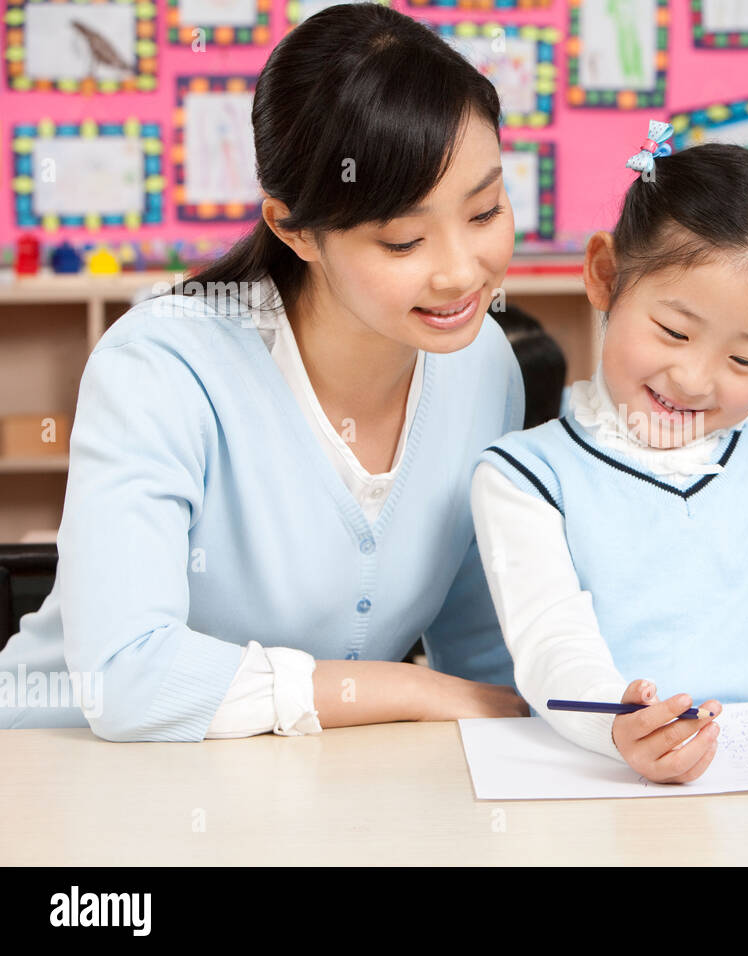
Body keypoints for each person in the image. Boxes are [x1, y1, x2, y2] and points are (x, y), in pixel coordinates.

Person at [0, 5, 528, 739]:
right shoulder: (161, 368)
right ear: (291, 227)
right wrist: (409, 690)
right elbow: (125, 678)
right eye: (404, 240)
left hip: (293, 786)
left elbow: (482, 664)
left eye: (485, 210)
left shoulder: (485, 368)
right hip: (60, 771)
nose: (463, 272)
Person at [470, 132, 748, 784]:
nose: (694, 378)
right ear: (604, 274)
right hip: (613, 792)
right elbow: (552, 650)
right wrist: (617, 724)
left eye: (744, 359)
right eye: (673, 332)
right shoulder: (523, 477)